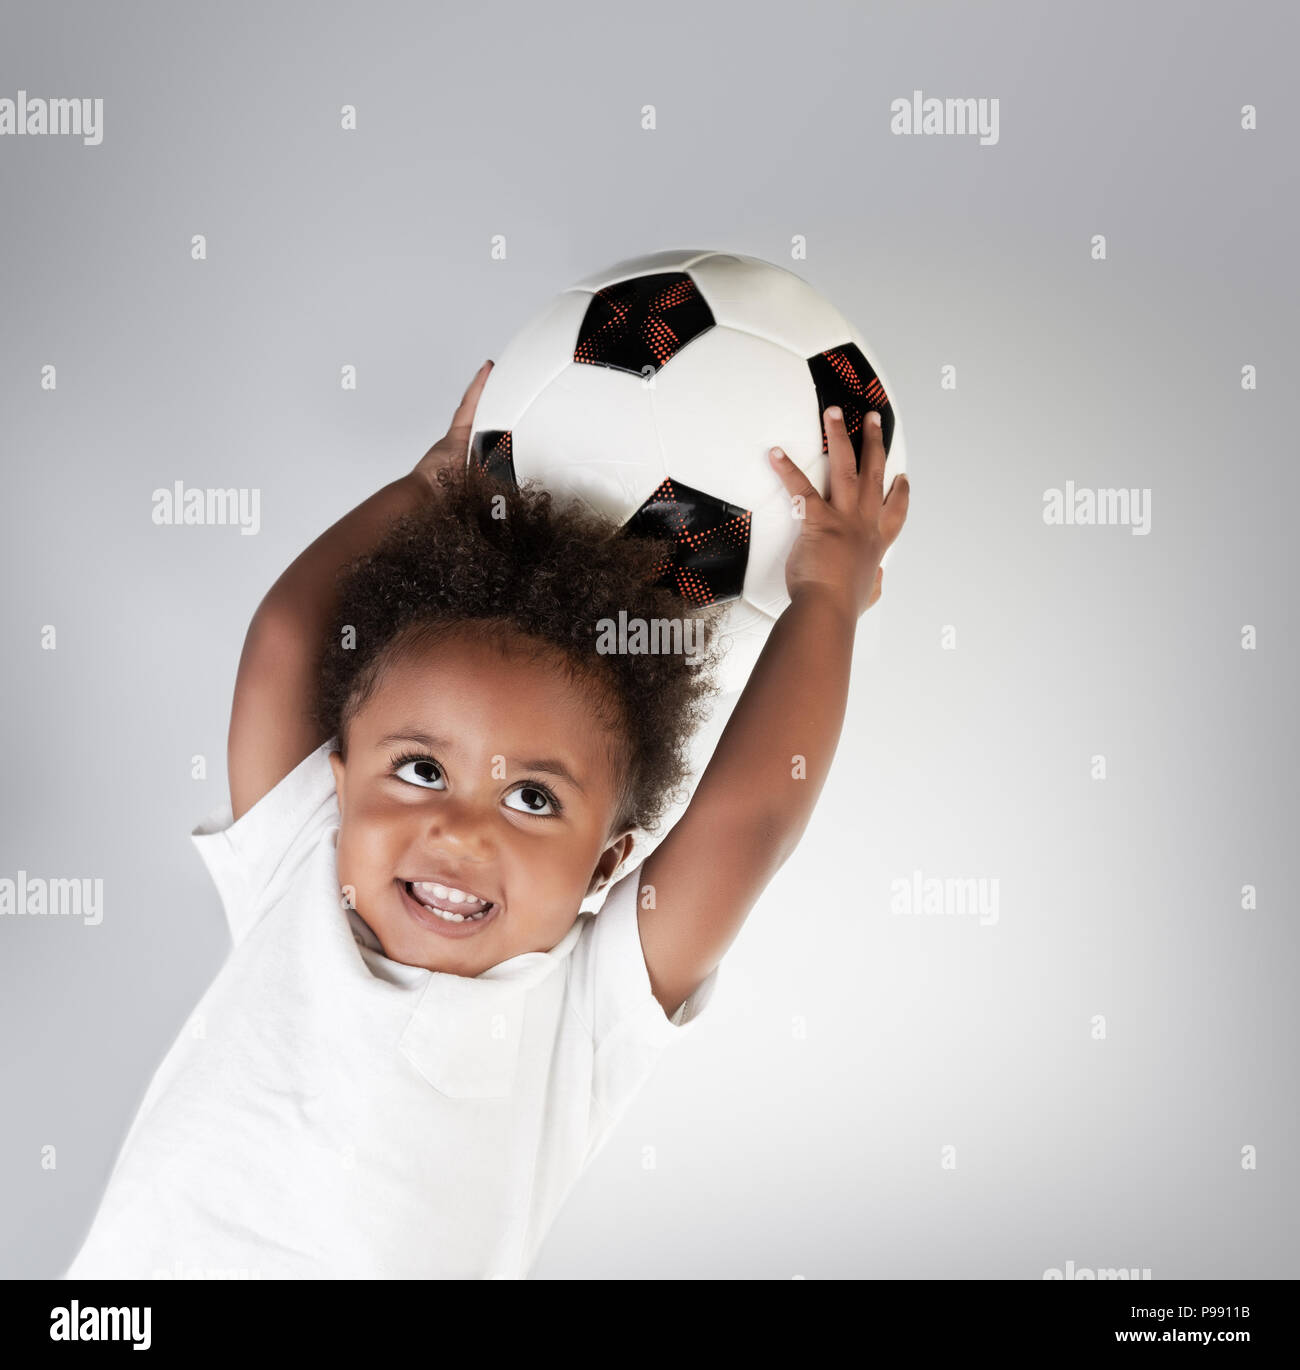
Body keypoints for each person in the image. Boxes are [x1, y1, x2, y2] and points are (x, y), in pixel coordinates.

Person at [63, 361, 910, 1278]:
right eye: (421, 770)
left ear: (606, 865)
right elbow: (284, 643)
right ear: (340, 784)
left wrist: (827, 601)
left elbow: (748, 817)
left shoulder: (586, 1009)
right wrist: (423, 492)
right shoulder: (301, 864)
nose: (463, 833)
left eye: (533, 798)